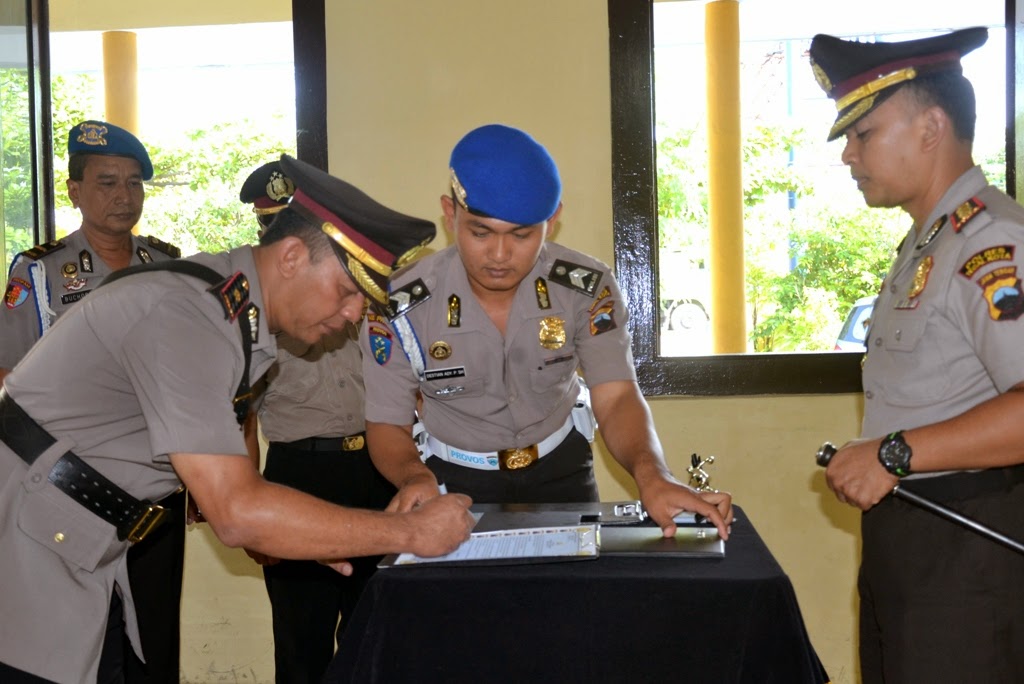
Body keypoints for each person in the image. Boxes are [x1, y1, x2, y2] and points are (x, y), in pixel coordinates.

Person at [0, 153, 476, 684]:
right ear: (292, 256)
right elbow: (237, 510)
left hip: (84, 541)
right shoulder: (188, 316)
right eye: (347, 292)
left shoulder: (234, 318)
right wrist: (407, 532)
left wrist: (310, 532)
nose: (352, 317)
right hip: (27, 546)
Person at [359, 123, 732, 539]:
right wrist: (413, 477)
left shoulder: (584, 287)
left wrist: (653, 475)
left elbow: (616, 394)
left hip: (562, 473)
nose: (499, 255)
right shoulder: (402, 306)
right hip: (450, 483)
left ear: (551, 222)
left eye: (521, 235)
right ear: (450, 213)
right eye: (480, 232)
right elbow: (387, 423)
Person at [809, 28, 1024, 683]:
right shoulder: (927, 247)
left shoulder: (993, 246)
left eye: (863, 133)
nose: (848, 155)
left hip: (968, 551)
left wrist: (892, 453)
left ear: (932, 126)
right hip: (911, 544)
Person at [0, 119, 187, 684]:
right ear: (74, 190)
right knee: (72, 637)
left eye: (133, 183)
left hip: (155, 481)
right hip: (69, 487)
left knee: (155, 632)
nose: (122, 196)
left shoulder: (170, 267)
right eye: (106, 182)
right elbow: (8, 375)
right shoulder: (38, 271)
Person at [239, 161, 397, 684]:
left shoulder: (363, 294)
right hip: (296, 477)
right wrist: (250, 511)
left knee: (374, 638)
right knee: (301, 643)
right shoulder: (257, 316)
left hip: (373, 472)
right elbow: (241, 418)